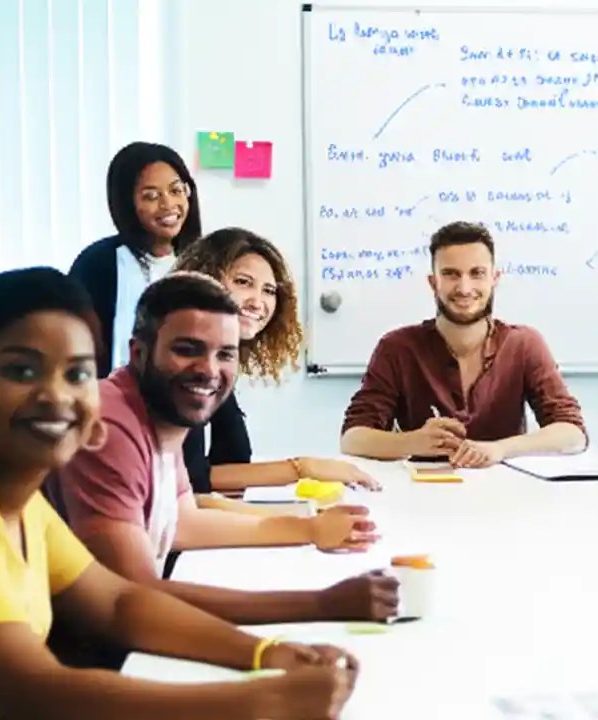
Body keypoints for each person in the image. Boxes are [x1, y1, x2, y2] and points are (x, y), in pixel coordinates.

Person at [0, 267, 358, 719]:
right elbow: (30, 692)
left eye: (77, 374)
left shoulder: (17, 503)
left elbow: (119, 604)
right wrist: (262, 701)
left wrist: (266, 653)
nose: (56, 396)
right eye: (21, 371)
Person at [47, 273, 399, 636]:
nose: (209, 370)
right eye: (187, 350)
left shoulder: (161, 415)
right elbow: (133, 598)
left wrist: (310, 529)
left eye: (225, 354)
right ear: (139, 353)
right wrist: (322, 605)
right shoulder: (108, 427)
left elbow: (184, 522)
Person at [340, 221, 588, 467]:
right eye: (451, 274)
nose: (465, 288)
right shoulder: (397, 347)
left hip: (506, 486)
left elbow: (573, 433)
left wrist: (499, 449)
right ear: (433, 282)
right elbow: (352, 439)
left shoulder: (524, 344)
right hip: (422, 487)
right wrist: (413, 442)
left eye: (477, 273)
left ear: (494, 279)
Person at [173, 227, 378, 500]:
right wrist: (302, 468)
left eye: (268, 290)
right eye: (243, 282)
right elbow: (190, 480)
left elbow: (226, 465)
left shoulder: (219, 368)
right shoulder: (184, 366)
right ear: (205, 282)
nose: (258, 302)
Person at [70, 141, 203, 377]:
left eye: (176, 191)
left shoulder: (204, 261)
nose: (168, 205)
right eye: (151, 196)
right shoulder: (98, 263)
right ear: (127, 203)